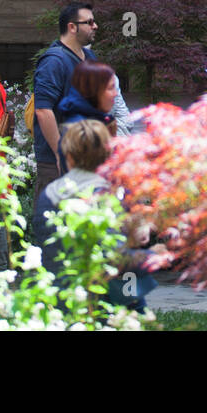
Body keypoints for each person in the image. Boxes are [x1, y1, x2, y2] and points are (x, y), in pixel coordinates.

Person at [33, 120, 168, 312]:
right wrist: (154, 255)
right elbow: (115, 260)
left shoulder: (48, 195)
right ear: (107, 154)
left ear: (69, 156)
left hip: (60, 301)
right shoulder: (110, 194)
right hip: (103, 305)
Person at [32, 3, 100, 200]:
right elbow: (43, 110)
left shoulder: (89, 57)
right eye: (89, 22)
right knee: (53, 224)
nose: (95, 26)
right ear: (72, 27)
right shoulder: (54, 61)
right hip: (57, 163)